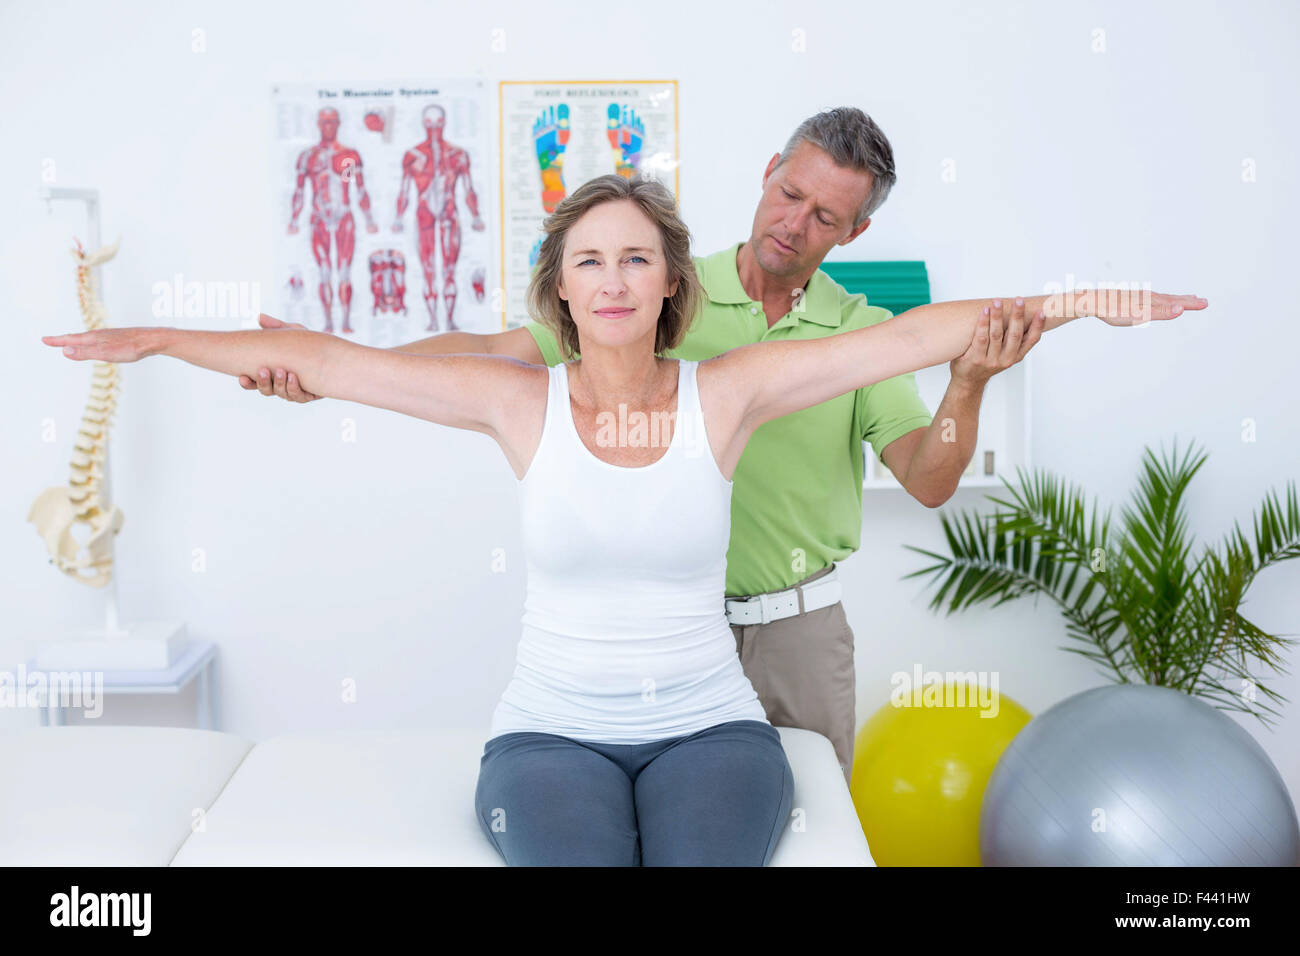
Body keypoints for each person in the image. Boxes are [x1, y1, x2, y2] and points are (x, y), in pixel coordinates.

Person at [43, 174, 1203, 865]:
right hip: (550, 732)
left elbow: (906, 338)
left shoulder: (728, 392)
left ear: (666, 286)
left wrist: (1083, 304)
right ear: (560, 290)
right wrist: (150, 337)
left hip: (713, 728)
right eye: (587, 259)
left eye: (634, 257)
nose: (610, 277)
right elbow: (323, 359)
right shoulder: (513, 399)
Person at [236, 107, 1208, 783]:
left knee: (804, 837)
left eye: (825, 215)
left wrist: (969, 381)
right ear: (766, 175)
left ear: (857, 226)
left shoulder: (858, 330)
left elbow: (927, 481)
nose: (794, 222)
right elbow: (496, 353)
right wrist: (333, 366)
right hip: (654, 626)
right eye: (788, 193)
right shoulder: (654, 285)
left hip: (795, 634)